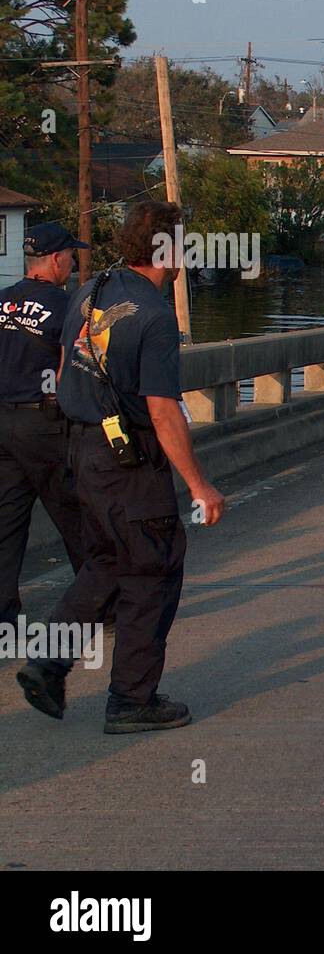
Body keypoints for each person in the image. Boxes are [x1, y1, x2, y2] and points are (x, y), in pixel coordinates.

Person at [16, 200, 225, 734]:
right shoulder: (155, 317)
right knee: (153, 571)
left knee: (107, 561)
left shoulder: (89, 292)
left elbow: (64, 370)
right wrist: (200, 486)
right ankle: (132, 700)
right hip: (129, 461)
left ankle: (47, 661)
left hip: (82, 451)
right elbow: (161, 409)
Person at [0, 223, 91, 629]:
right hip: (44, 424)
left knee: (6, 520)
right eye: (71, 256)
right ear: (56, 259)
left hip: (2, 422)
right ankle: (97, 601)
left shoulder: (1, 301)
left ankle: (4, 611)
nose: (72, 264)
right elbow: (73, 364)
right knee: (74, 511)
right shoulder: (68, 306)